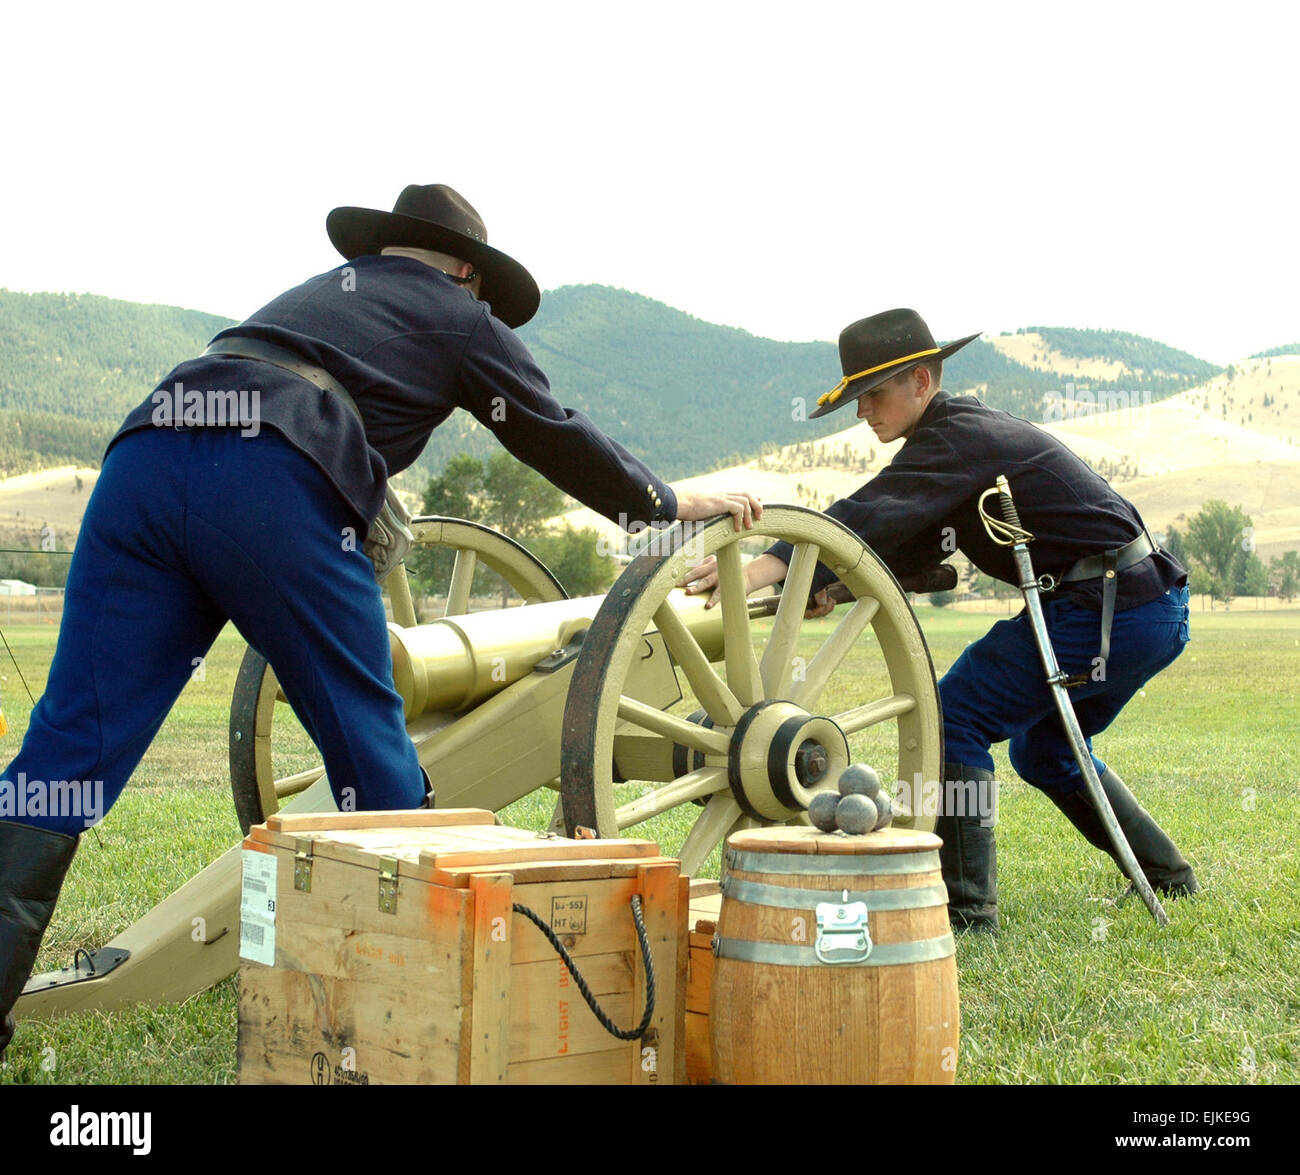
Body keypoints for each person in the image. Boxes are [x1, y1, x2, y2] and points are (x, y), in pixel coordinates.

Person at [0, 183, 762, 1055]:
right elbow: (551, 429)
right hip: (270, 480)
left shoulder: (318, 298)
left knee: (62, 760)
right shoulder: (458, 312)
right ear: (468, 271)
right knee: (373, 758)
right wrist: (664, 503)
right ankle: (409, 1033)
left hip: (144, 456)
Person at [682, 307, 1197, 932]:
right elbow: (918, 554)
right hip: (1148, 609)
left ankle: (966, 913)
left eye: (873, 394)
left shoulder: (957, 437)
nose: (864, 410)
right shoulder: (952, 451)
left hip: (1109, 608)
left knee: (953, 716)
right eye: (857, 399)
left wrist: (770, 562)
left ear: (922, 382)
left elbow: (869, 512)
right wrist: (827, 586)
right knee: (1046, 751)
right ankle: (1171, 880)